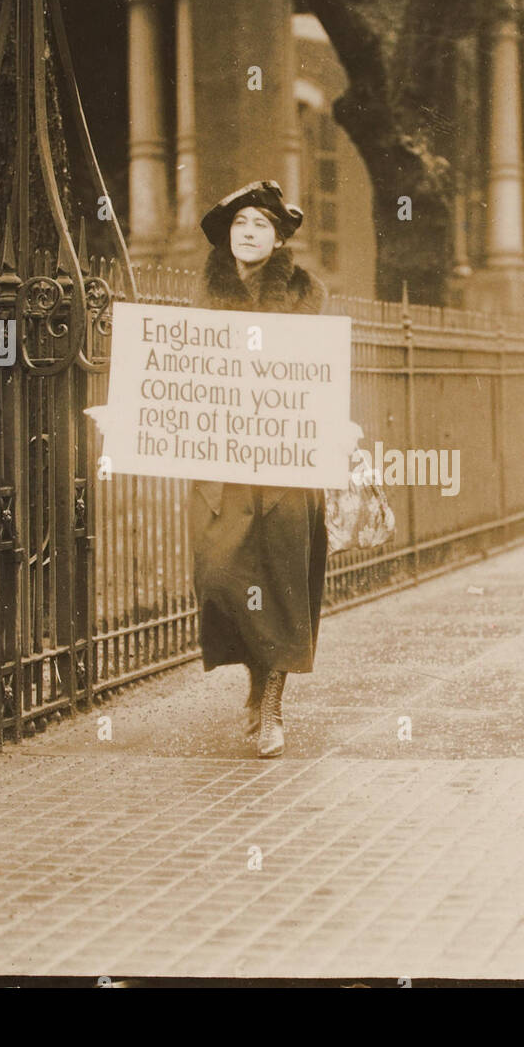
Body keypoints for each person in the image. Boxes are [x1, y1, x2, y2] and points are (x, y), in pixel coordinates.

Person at [191, 180, 329, 757]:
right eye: (241, 222)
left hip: (284, 461)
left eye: (261, 226)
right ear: (228, 233)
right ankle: (254, 678)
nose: (249, 233)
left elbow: (318, 374)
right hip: (222, 461)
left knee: (280, 577)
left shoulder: (305, 295)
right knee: (222, 574)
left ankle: (271, 703)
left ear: (277, 240)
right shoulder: (205, 296)